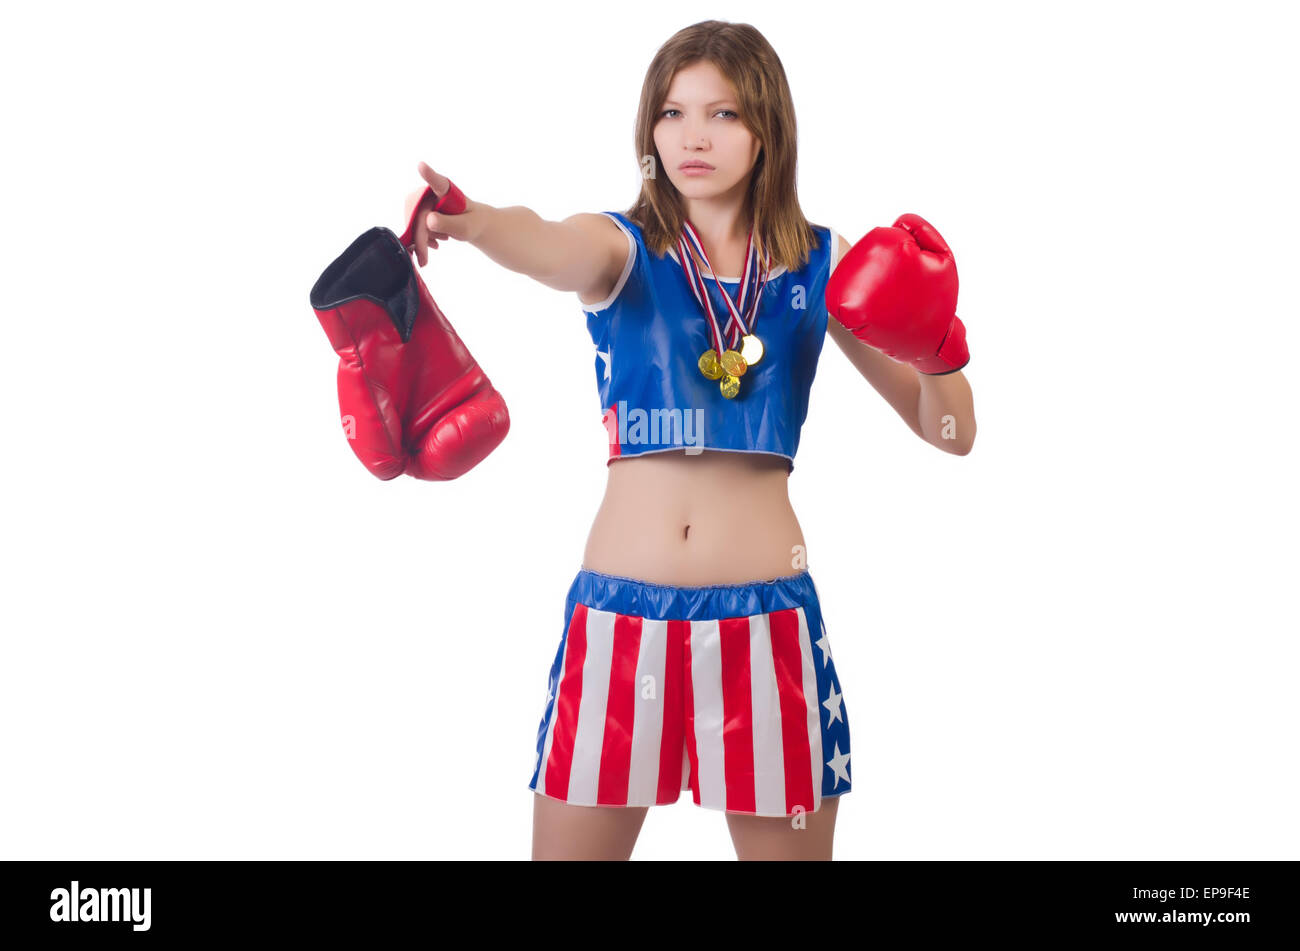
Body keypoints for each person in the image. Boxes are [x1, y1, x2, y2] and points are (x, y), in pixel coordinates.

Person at [406, 20, 976, 860]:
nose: (693, 137)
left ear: (767, 130)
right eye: (672, 114)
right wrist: (475, 219)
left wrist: (936, 349)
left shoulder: (823, 262)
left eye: (723, 114)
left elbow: (950, 431)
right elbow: (548, 244)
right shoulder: (622, 247)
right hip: (618, 618)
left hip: (766, 623)